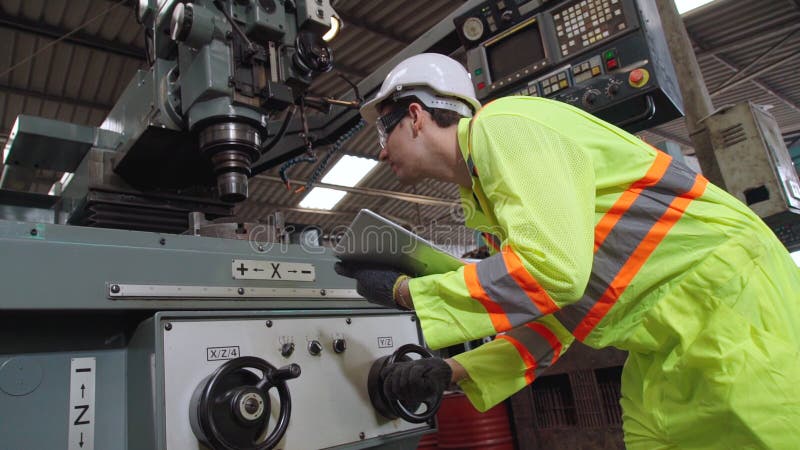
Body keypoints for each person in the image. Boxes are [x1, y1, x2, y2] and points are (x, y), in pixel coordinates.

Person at [334, 53, 800, 448]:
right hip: (661, 349)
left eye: (383, 133)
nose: (379, 153)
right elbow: (558, 314)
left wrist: (410, 295)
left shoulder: (503, 126)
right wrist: (452, 370)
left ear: (415, 115)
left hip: (732, 312)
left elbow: (555, 272)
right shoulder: (487, 202)